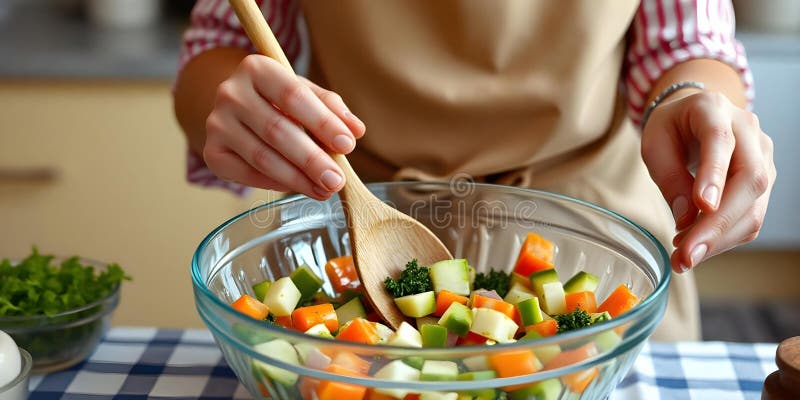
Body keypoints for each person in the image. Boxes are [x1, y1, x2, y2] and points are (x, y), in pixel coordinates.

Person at [173, 0, 775, 341]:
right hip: (360, 218)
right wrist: (229, 103)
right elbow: (223, 41)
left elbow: (683, 43)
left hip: (592, 239)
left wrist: (693, 97)